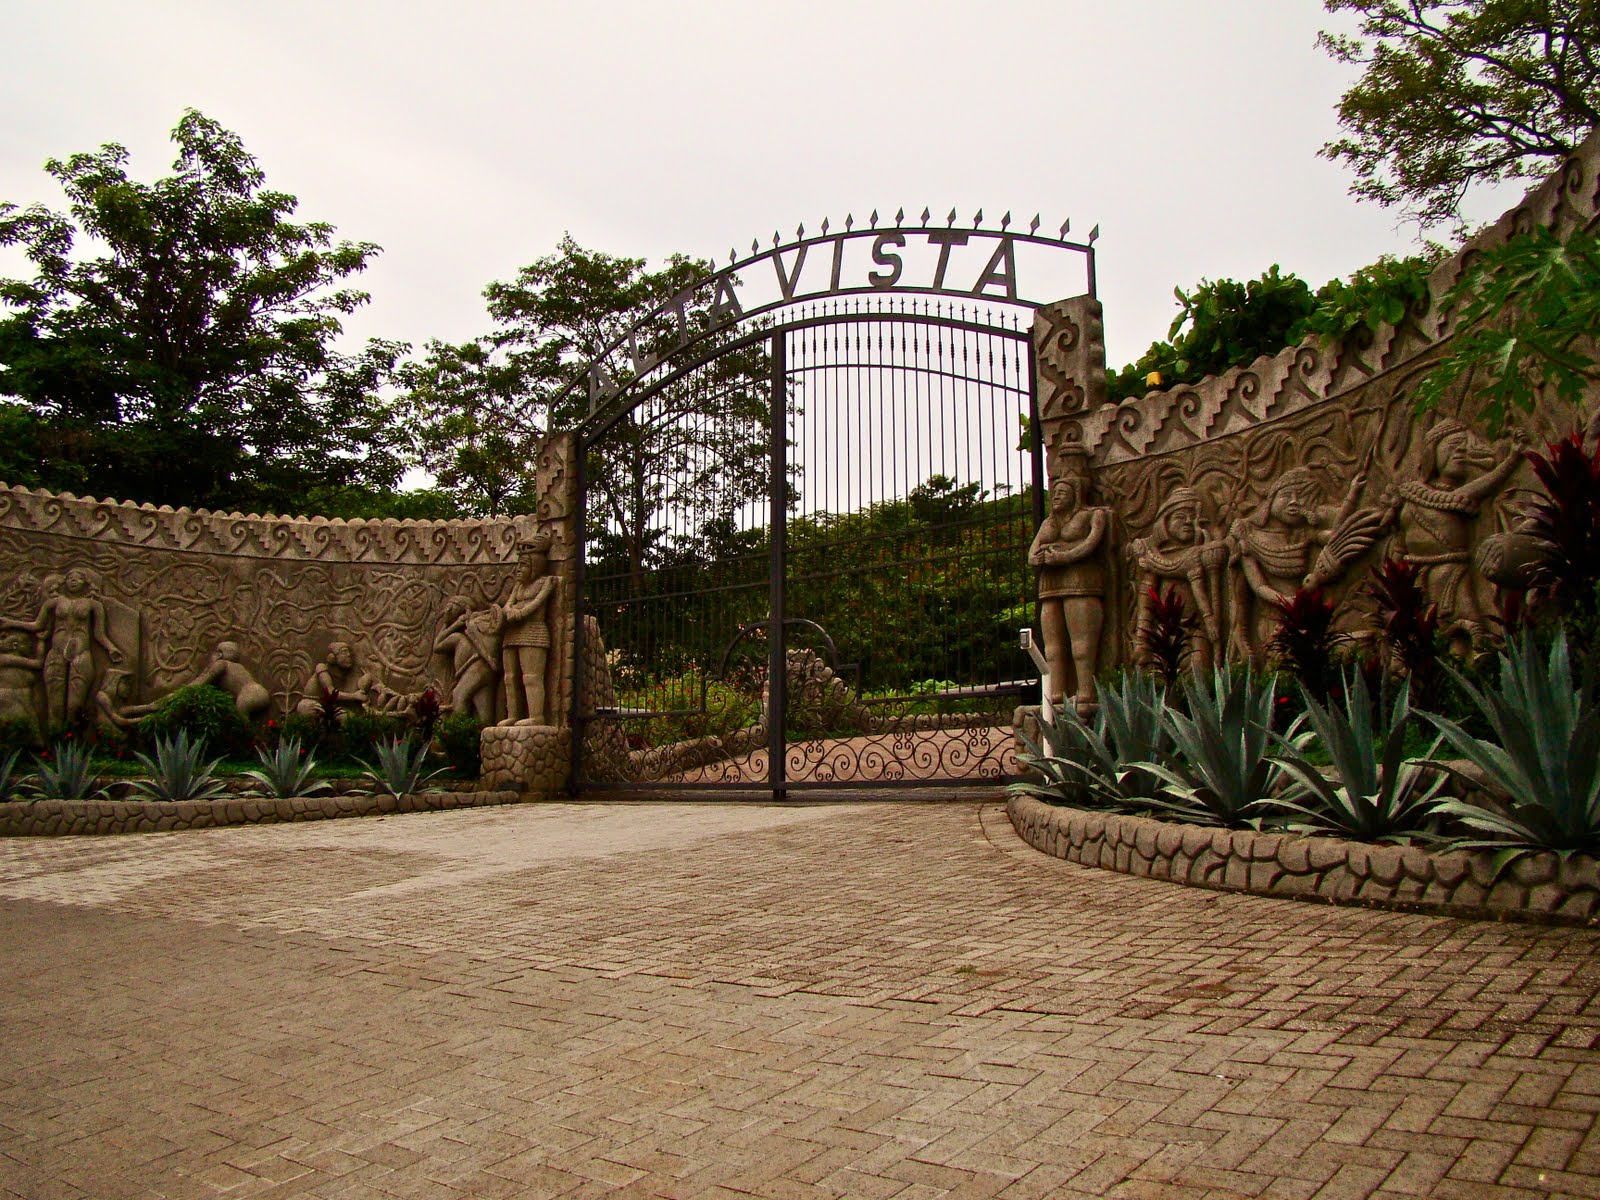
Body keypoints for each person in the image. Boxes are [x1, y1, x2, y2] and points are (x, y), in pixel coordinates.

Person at [1386, 418, 1526, 648]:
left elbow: (1486, 484)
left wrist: (1512, 457)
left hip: (1452, 574)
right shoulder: (1410, 495)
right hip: (1416, 578)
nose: (1460, 451)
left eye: (1464, 446)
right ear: (1432, 453)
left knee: (1468, 631)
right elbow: (1398, 543)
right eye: (1453, 445)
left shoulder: (1457, 497)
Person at [1027, 452, 1110, 717]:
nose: (1056, 496)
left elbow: (1092, 543)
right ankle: (1055, 693)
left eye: (1062, 491)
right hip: (1051, 584)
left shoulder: (1092, 514)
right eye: (1054, 492)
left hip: (1080, 582)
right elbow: (1031, 554)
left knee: (1082, 644)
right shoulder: (1049, 522)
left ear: (1075, 494)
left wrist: (1064, 556)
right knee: (1052, 645)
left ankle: (1086, 693)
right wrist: (1041, 557)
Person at [2, 567, 122, 727]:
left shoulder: (94, 605)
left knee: (75, 707)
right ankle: (52, 742)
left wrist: (111, 648)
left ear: (85, 583)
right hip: (56, 654)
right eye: (70, 577)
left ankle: (71, 739)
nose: (73, 580)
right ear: (64, 582)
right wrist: (11, 623)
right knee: (55, 708)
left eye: (78, 578)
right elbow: (37, 625)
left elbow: (99, 635)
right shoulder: (53, 603)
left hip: (81, 655)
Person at [499, 534, 558, 726]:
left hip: (533, 634)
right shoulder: (518, 586)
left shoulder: (544, 583)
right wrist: (510, 612)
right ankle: (514, 714)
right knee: (510, 678)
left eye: (523, 565)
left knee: (531, 677)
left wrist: (520, 612)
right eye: (519, 564)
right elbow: (507, 605)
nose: (518, 569)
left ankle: (536, 716)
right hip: (513, 633)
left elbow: (538, 603)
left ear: (535, 565)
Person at [432, 596, 501, 724]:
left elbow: (437, 645)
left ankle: (458, 735)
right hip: (486, 671)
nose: (446, 612)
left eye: (449, 608)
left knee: (458, 695)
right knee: (483, 714)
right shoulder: (467, 634)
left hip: (475, 668)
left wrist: (449, 625)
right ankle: (482, 739)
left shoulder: (457, 638)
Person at [185, 641, 271, 721]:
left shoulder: (221, 664)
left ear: (220, 654)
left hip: (249, 694)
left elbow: (203, 681)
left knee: (241, 721)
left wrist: (183, 692)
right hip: (261, 691)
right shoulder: (239, 667)